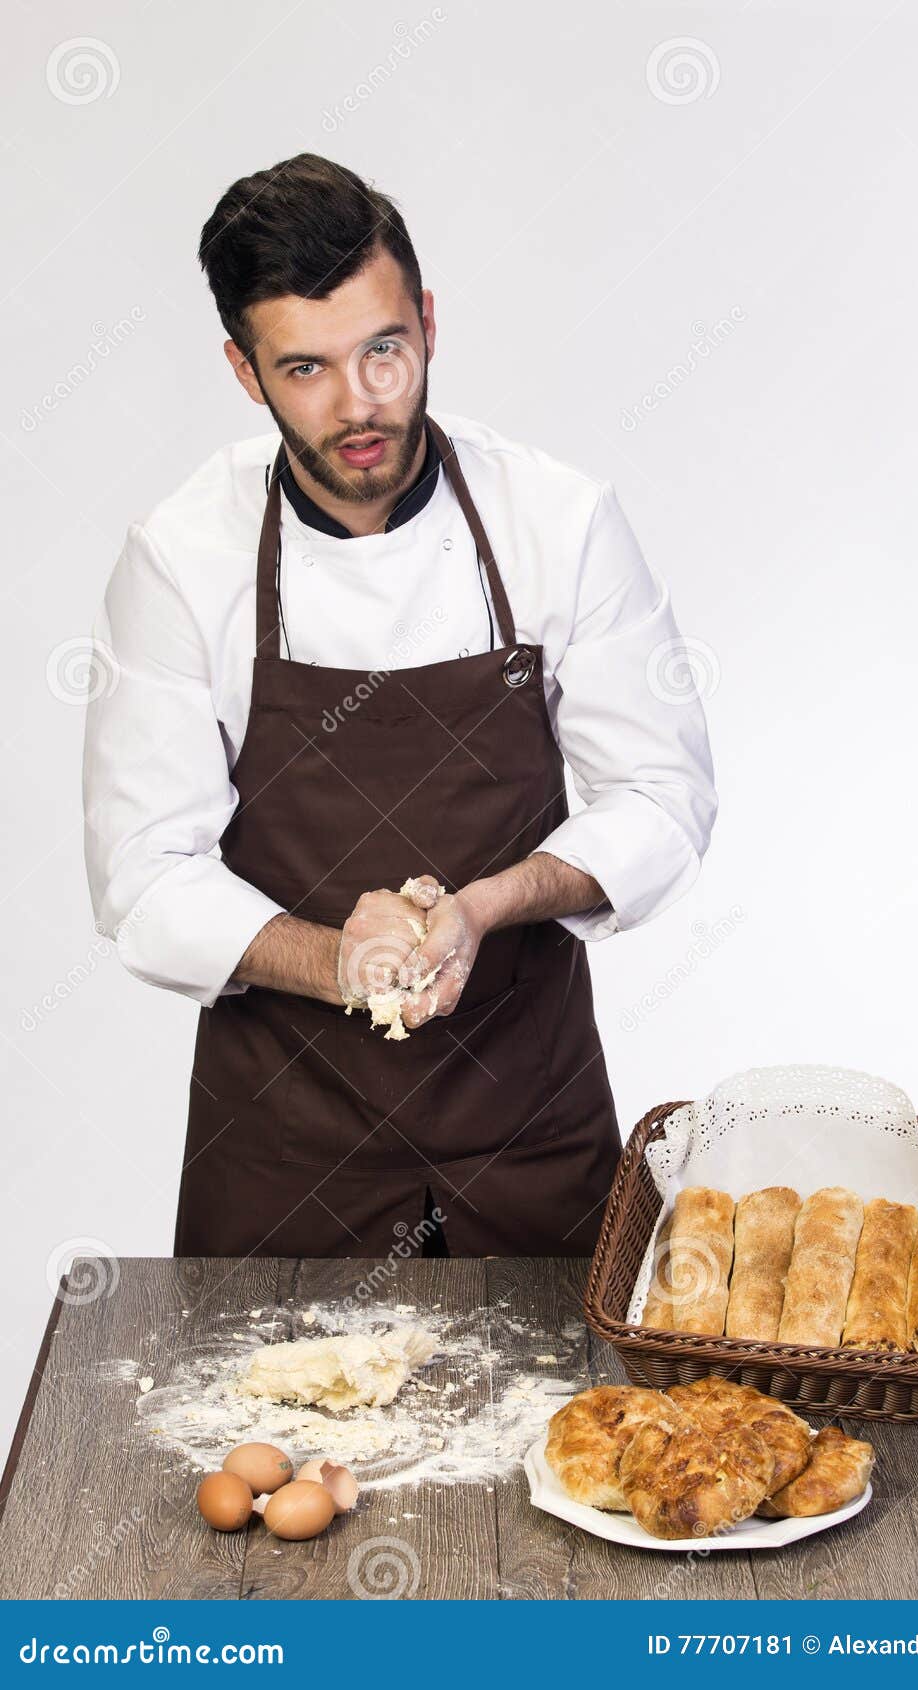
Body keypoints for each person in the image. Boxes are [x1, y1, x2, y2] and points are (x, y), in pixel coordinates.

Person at [82, 153, 717, 1260]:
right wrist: (334, 959)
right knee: (260, 1437)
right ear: (245, 371)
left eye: (383, 350)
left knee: (572, 1430)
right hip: (284, 1145)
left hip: (527, 1128)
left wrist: (488, 901)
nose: (358, 404)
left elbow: (662, 798)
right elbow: (142, 876)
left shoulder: (557, 522)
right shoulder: (182, 559)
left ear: (425, 320)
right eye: (306, 370)